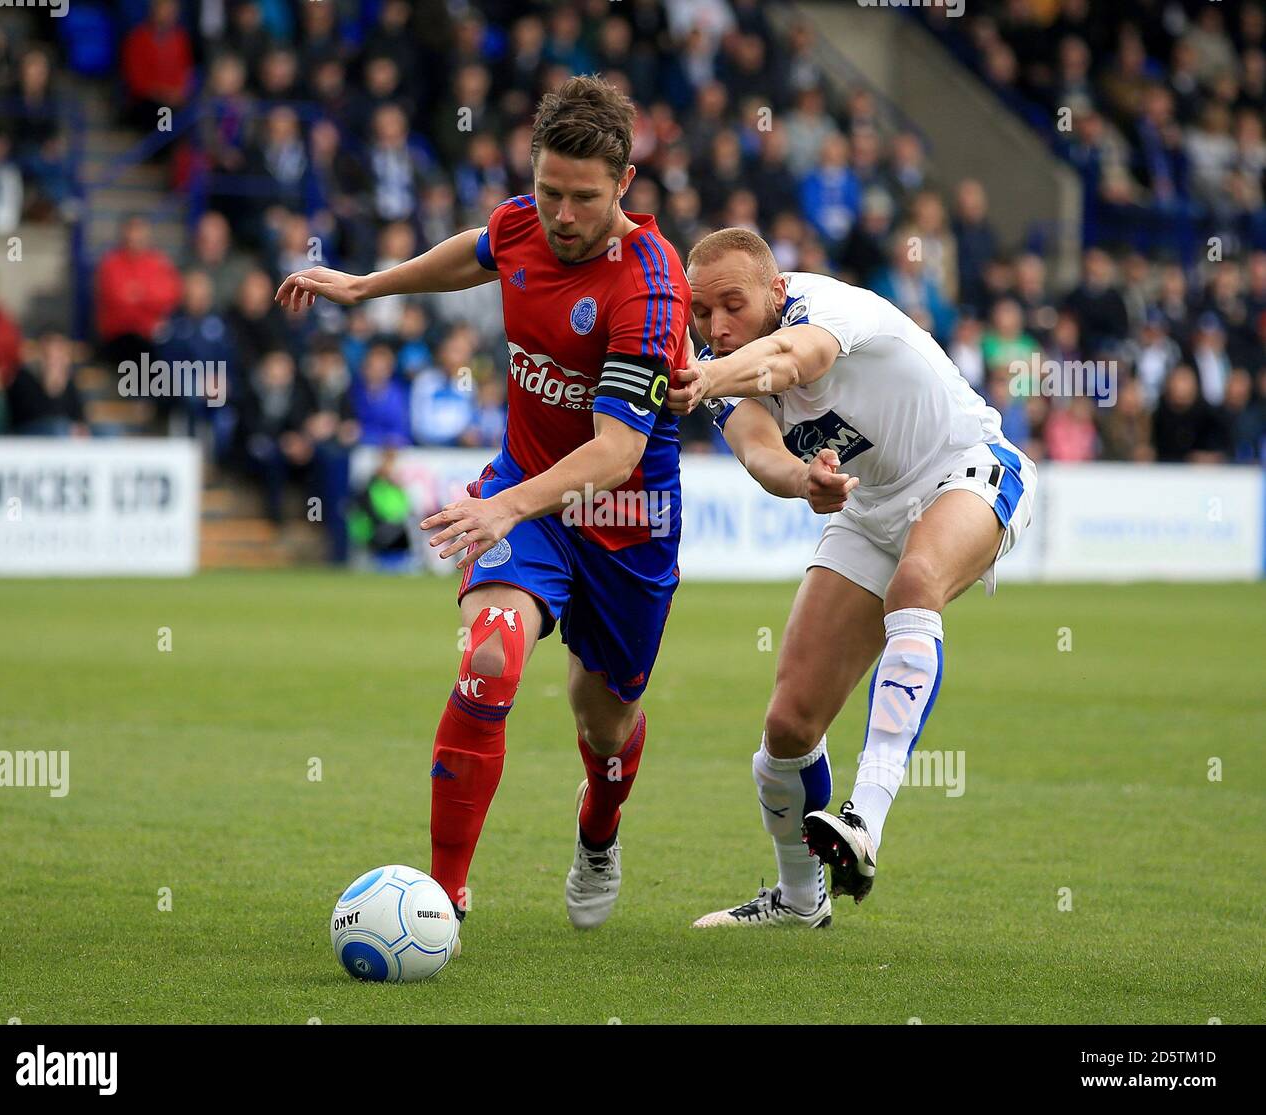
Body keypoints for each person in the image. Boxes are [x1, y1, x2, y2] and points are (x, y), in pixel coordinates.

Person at [275, 77, 690, 948]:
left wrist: (502, 505)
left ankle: (599, 827)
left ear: (624, 184)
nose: (562, 215)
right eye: (548, 192)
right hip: (530, 499)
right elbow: (480, 247)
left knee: (602, 724)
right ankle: (442, 897)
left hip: (627, 525)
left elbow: (616, 452)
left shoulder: (649, 285)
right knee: (491, 659)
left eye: (583, 198)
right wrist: (366, 288)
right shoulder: (524, 223)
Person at [669, 228, 1036, 928]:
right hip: (868, 506)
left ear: (776, 292)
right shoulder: (721, 366)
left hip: (967, 464)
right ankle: (801, 900)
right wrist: (802, 477)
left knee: (917, 581)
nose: (715, 326)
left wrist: (706, 373)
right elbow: (757, 451)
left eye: (732, 305)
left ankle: (864, 816)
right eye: (700, 311)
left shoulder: (823, 306)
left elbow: (792, 357)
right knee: (787, 724)